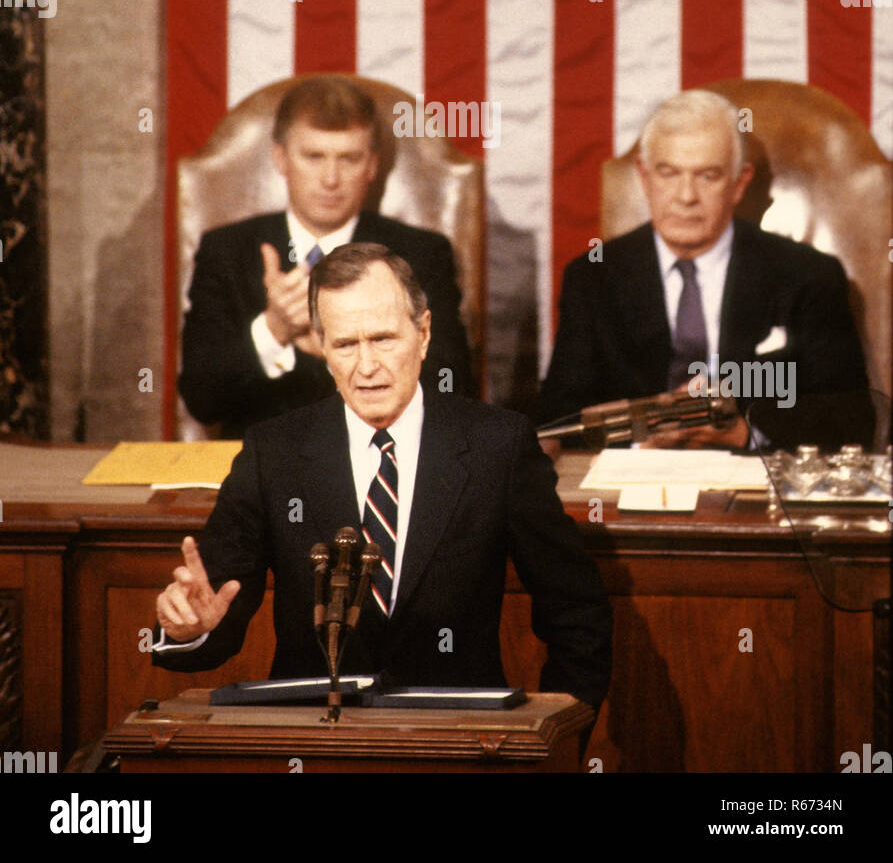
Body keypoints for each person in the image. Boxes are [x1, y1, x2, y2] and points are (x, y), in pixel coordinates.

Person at [155, 244, 612, 708]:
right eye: (346, 345)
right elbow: (212, 609)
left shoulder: (498, 445)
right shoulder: (274, 452)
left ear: (424, 333)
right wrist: (189, 627)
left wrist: (557, 734)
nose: (367, 367)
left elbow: (577, 612)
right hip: (315, 743)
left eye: (383, 339)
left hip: (457, 744)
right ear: (322, 347)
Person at [537, 90, 873, 450]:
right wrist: (637, 437)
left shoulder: (807, 275)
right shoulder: (593, 276)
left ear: (739, 183)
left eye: (707, 176)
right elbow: (558, 418)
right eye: (669, 173)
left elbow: (852, 417)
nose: (686, 196)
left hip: (752, 480)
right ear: (645, 176)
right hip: (630, 482)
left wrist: (747, 433)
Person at [179, 77, 473, 435]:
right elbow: (200, 398)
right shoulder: (226, 251)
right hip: (262, 468)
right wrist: (273, 331)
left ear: (372, 166)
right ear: (281, 158)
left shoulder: (421, 254)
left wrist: (340, 347)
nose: (330, 179)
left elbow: (453, 386)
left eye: (349, 158)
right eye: (314, 157)